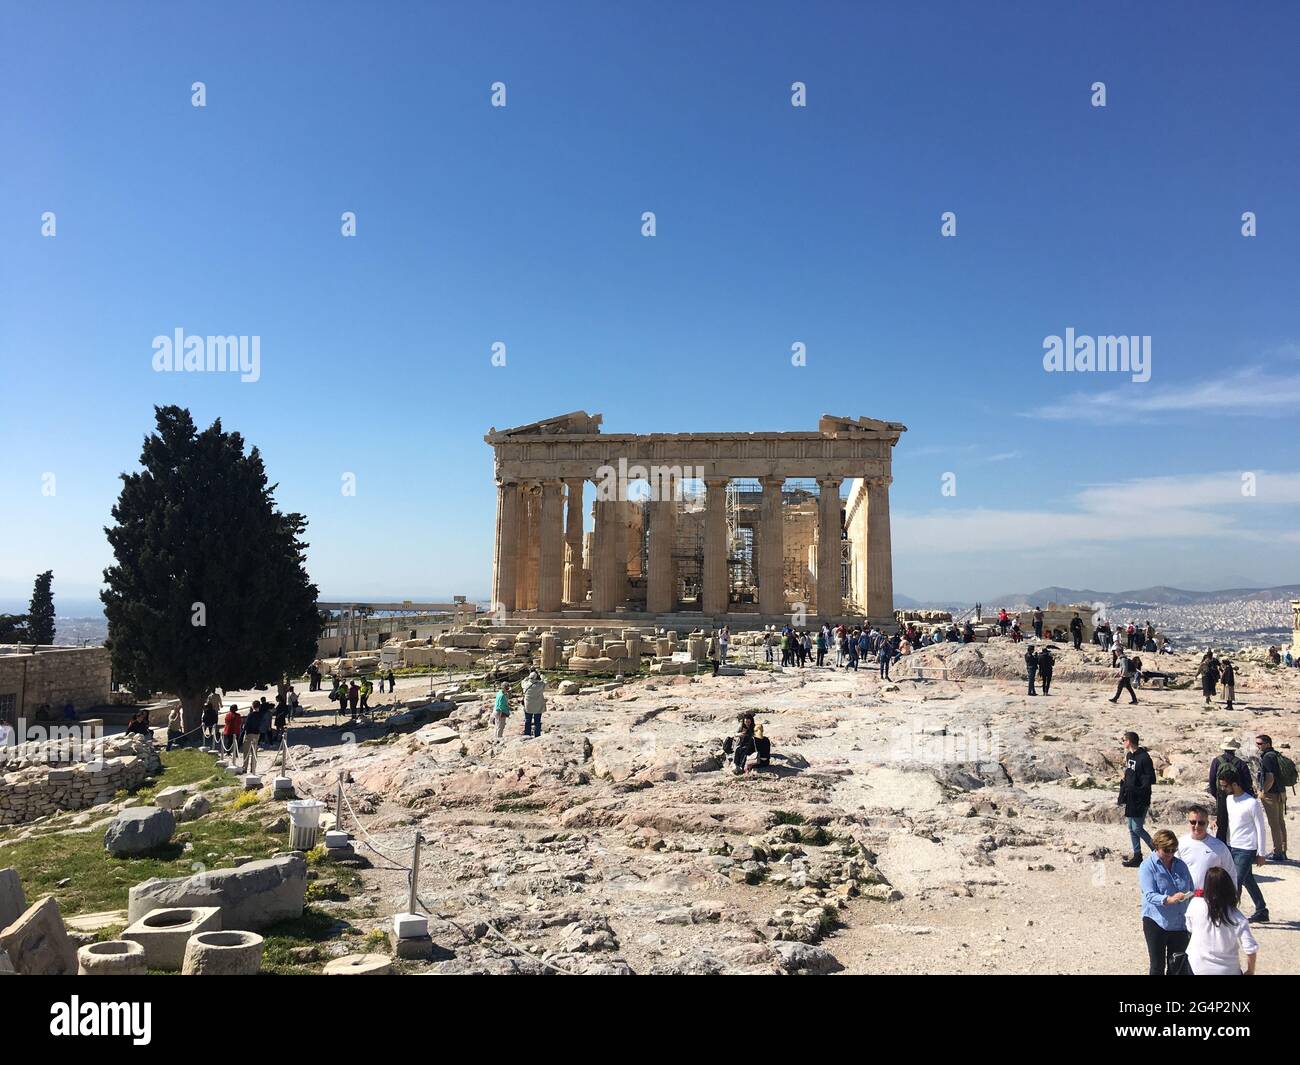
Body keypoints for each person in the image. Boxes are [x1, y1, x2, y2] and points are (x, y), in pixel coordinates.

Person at [1138, 829, 1194, 976]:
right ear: (1157, 847)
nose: (1170, 853)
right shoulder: (1147, 866)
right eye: (1166, 850)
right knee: (1157, 966)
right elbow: (1149, 894)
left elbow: (1191, 887)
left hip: (1179, 923)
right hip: (1156, 922)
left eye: (1173, 849)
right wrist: (1169, 899)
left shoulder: (1181, 865)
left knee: (1177, 965)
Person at [1186, 866, 1258, 976]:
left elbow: (1189, 928)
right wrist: (1250, 971)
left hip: (1197, 967)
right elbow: (1250, 949)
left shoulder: (1195, 904)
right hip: (1228, 969)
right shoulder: (1236, 916)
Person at [1218, 769, 1269, 923]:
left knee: (1236, 881)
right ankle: (1262, 910)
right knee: (1248, 880)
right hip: (1231, 846)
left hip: (1247, 848)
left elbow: (1261, 828)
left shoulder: (1251, 803)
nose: (1223, 789)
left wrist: (1261, 853)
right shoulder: (1228, 800)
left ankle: (1229, 914)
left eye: (1225, 786)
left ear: (1235, 784)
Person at [1176, 804, 1236, 891]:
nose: (1196, 826)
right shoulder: (1180, 844)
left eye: (1201, 823)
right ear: (1188, 823)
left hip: (1212, 898)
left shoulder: (1219, 846)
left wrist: (1233, 895)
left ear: (1207, 824)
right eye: (1193, 822)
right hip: (1186, 898)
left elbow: (1231, 872)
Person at [1119, 731, 1156, 866]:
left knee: (1137, 828)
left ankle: (1157, 851)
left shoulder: (1144, 758)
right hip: (1130, 796)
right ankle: (1137, 855)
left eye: (1123, 740)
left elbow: (1150, 778)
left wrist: (1139, 789)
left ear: (1129, 741)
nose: (1122, 742)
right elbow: (1130, 772)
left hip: (1140, 797)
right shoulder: (1130, 755)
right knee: (1131, 827)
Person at [1255, 734, 1289, 861]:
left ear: (1267, 744)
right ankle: (1283, 850)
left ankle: (1277, 852)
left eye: (1259, 744)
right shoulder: (1275, 754)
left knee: (1274, 824)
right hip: (1281, 792)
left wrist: (1263, 791)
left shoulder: (1267, 757)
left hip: (1271, 794)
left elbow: (1270, 778)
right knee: (1281, 823)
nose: (1257, 746)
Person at [521, 670, 545, 737]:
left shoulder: (525, 684)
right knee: (537, 722)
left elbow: (523, 681)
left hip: (528, 706)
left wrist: (527, 677)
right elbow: (545, 682)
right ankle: (537, 735)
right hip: (538, 706)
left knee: (527, 721)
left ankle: (527, 734)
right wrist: (542, 676)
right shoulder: (540, 685)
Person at [241, 703, 263, 773]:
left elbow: (247, 724)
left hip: (249, 733)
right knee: (254, 751)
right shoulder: (260, 715)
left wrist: (243, 731)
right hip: (257, 734)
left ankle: (245, 767)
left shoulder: (251, 715)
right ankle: (253, 768)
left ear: (253, 706)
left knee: (246, 751)